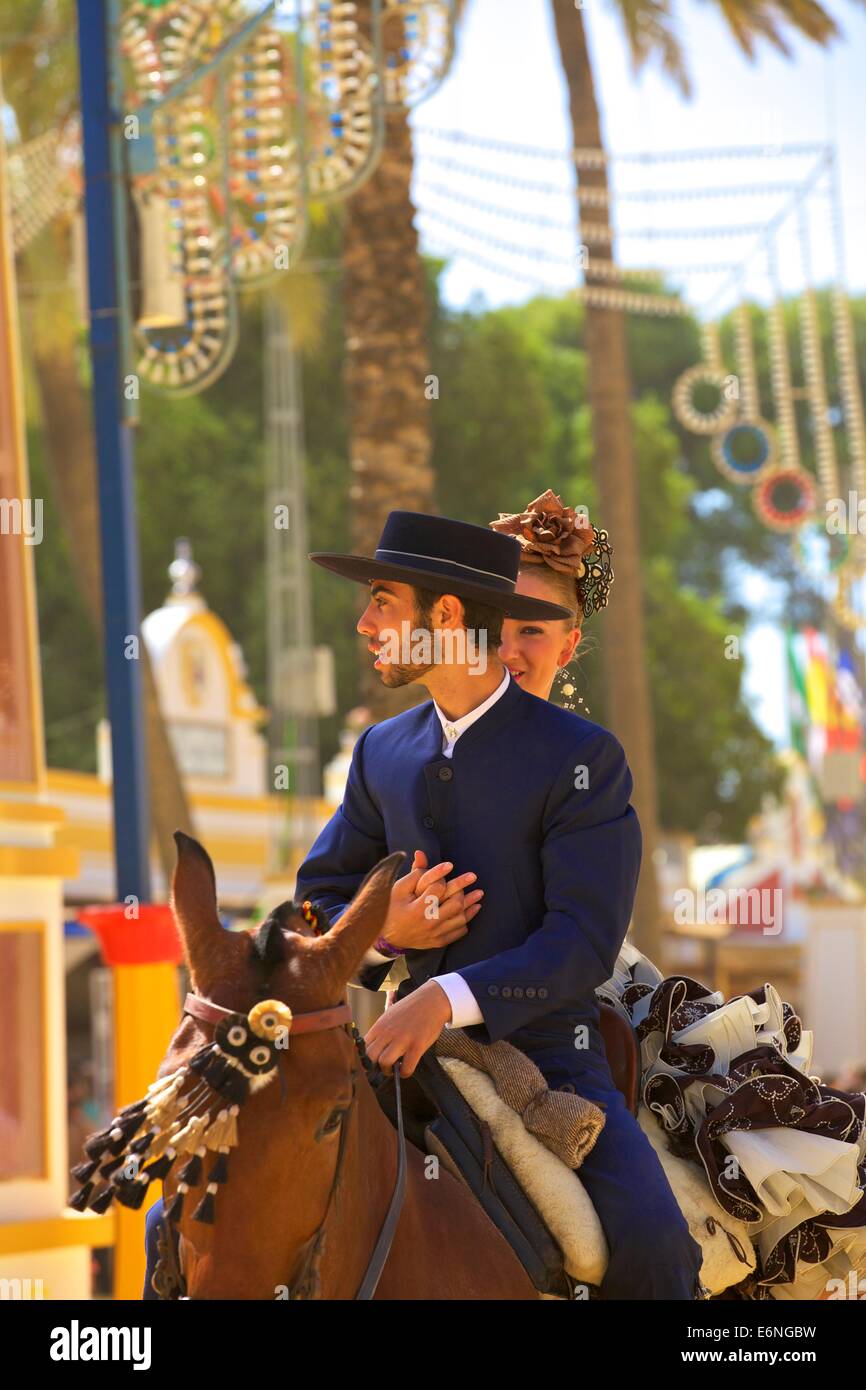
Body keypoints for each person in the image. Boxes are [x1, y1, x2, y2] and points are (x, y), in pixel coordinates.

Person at [295, 505, 704, 1300]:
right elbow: (318, 898)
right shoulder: (381, 750)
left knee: (656, 1248)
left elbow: (582, 941)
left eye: (382, 600)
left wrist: (442, 1000)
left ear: (445, 618)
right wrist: (384, 930)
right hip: (387, 1055)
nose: (364, 622)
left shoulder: (582, 758)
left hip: (551, 1056)